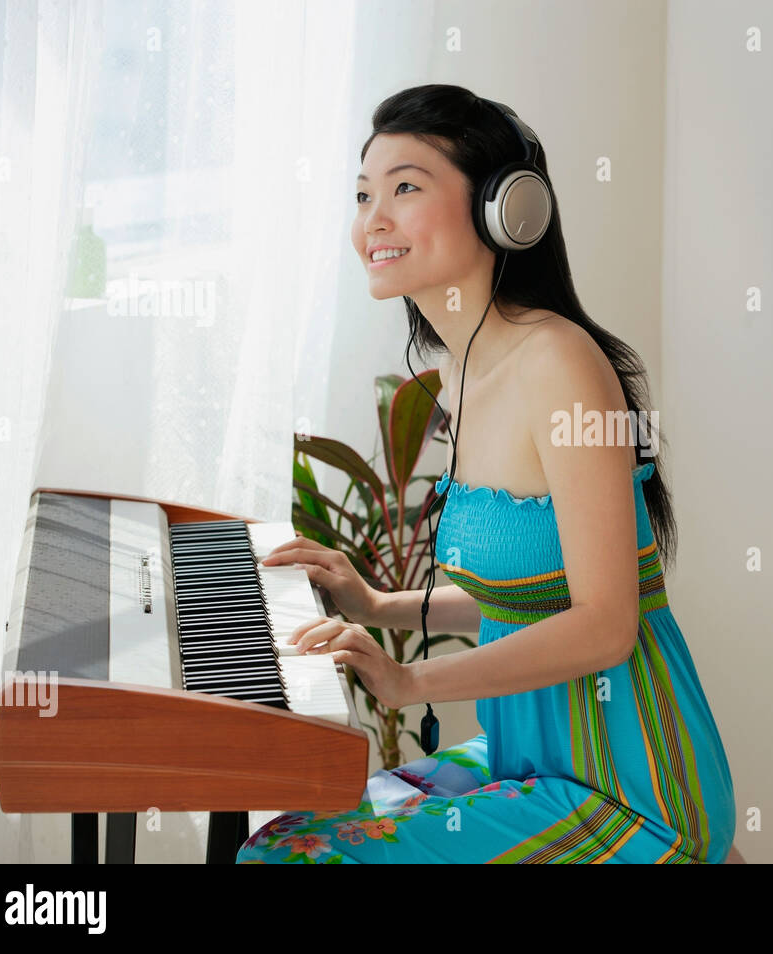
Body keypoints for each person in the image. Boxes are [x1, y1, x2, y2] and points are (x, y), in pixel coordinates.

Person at [237, 85, 737, 863]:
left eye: (406, 187)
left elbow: (606, 625)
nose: (374, 218)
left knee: (289, 858)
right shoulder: (463, 373)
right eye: (364, 194)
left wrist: (409, 685)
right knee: (283, 830)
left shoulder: (560, 363)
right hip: (532, 762)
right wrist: (376, 604)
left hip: (629, 789)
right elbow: (532, 593)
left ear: (509, 209)